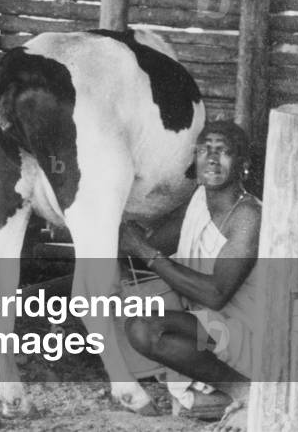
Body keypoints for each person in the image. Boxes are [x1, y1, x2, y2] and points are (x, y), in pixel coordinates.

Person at [119, 121, 261, 432]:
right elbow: (156, 244)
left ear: (243, 165)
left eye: (223, 152)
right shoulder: (199, 200)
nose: (211, 159)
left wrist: (142, 249)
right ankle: (213, 385)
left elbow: (216, 294)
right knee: (135, 320)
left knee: (147, 331)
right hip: (211, 321)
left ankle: (246, 390)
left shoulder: (247, 217)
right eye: (204, 150)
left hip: (247, 332)